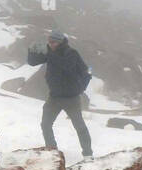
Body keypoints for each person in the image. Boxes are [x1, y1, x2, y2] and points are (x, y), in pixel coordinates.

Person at [26, 30, 93, 158]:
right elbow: (33, 62)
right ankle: (52, 150)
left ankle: (88, 154)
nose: (50, 44)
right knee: (45, 124)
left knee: (79, 126)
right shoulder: (51, 52)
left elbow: (66, 66)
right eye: (49, 41)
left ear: (60, 42)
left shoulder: (71, 53)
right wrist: (31, 51)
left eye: (53, 42)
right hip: (54, 96)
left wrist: (49, 53)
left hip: (71, 98)